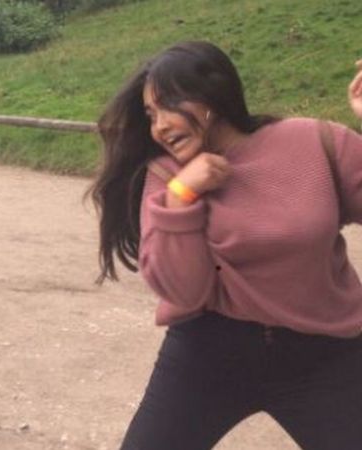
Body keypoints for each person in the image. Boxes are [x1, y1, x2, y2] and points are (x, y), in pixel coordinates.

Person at [89, 41, 362, 449]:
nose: (159, 126)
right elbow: (184, 290)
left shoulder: (315, 143)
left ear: (212, 95)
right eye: (150, 115)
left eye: (168, 106)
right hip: (208, 354)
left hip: (325, 354)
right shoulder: (166, 175)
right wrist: (183, 195)